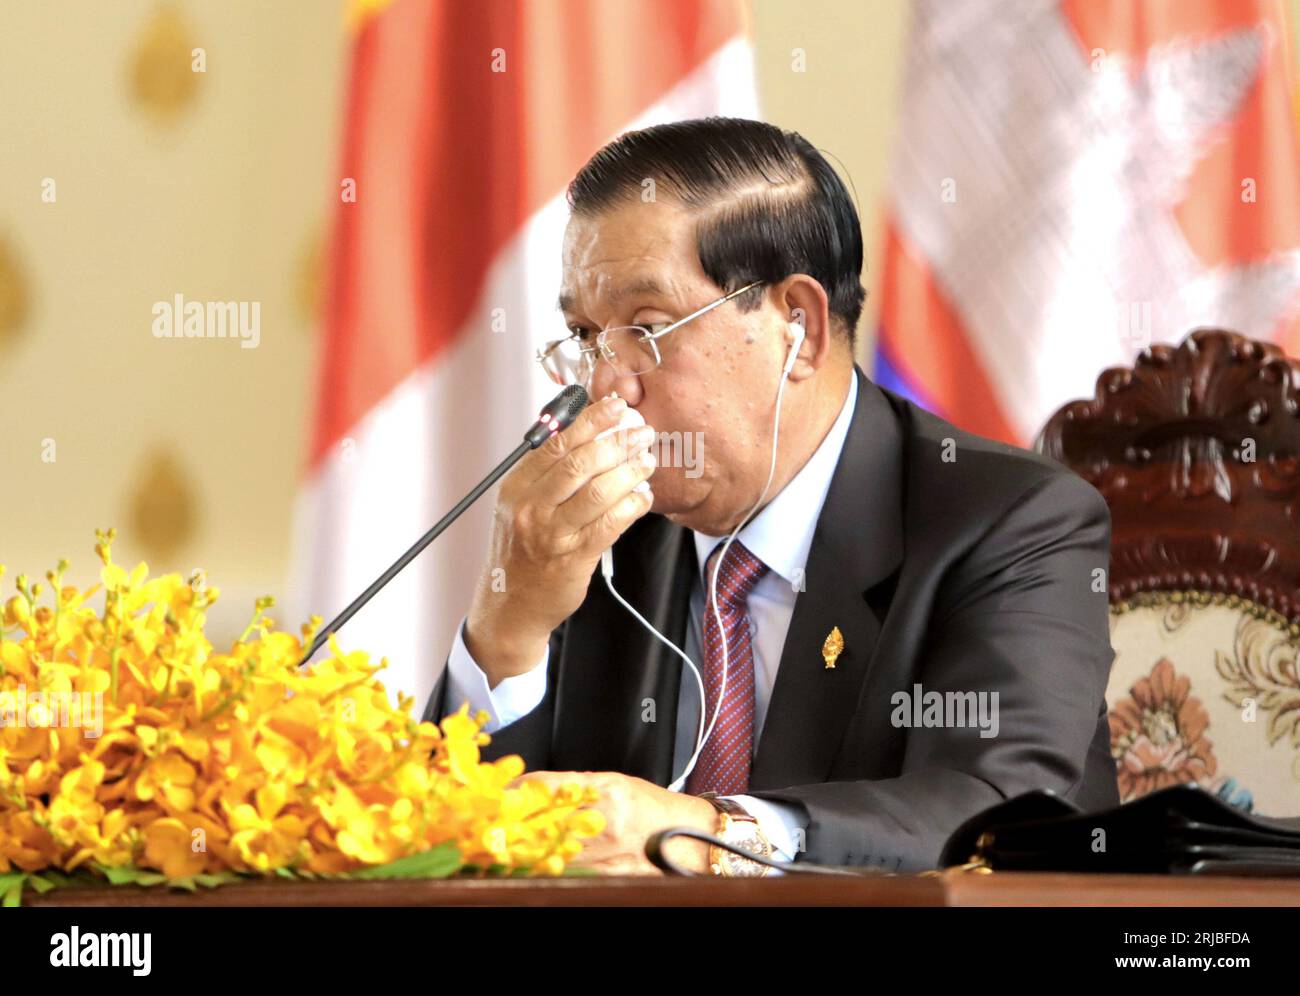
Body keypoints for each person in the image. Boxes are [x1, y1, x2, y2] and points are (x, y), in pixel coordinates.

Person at [421, 117, 1118, 876]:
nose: (606, 387)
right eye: (587, 336)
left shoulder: (1011, 523)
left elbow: (994, 813)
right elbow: (449, 851)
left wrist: (706, 836)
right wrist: (507, 627)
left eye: (647, 330)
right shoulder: (596, 528)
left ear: (800, 327)